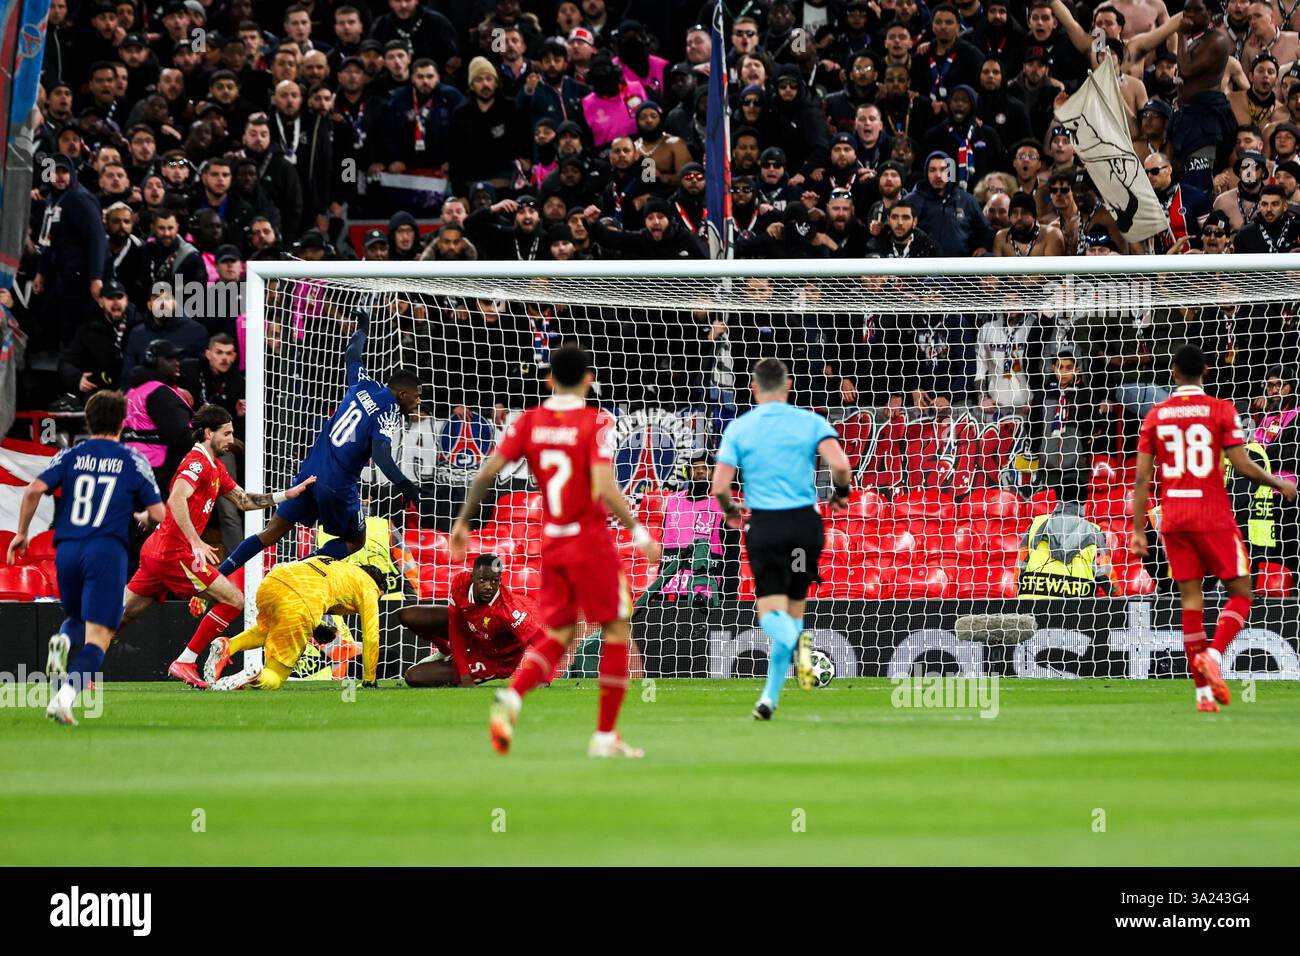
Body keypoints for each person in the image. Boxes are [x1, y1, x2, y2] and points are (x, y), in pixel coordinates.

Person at [449, 343, 662, 758]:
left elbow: (487, 473)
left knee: (562, 633)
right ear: (588, 379)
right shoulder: (596, 421)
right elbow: (602, 485)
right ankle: (604, 736)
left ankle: (512, 697)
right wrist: (638, 530)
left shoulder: (528, 422)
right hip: (590, 542)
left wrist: (462, 523)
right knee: (617, 628)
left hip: (553, 544)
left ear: (549, 379)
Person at [1130, 344, 1298, 712]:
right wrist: (1278, 482)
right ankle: (1216, 656)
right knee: (1241, 593)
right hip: (1212, 514)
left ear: (1173, 373)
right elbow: (1242, 465)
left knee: (1191, 601)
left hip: (1174, 517)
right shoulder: (1222, 409)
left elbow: (1142, 479)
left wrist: (1138, 530)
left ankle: (1203, 695)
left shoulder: (1156, 415)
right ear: (1206, 371)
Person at [215, 309, 424, 577]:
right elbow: (381, 454)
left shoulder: (363, 384)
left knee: (269, 533)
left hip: (309, 475)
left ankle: (217, 576)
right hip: (338, 486)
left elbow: (352, 355)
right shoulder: (390, 411)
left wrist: (363, 329)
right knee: (355, 541)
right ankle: (293, 573)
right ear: (403, 394)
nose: (417, 402)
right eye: (416, 397)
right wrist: (405, 484)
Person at [118, 405, 315, 688]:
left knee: (124, 613)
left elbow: (245, 501)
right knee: (234, 600)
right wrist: (196, 541)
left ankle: (77, 650)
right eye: (227, 433)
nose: (231, 440)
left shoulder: (215, 467)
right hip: (175, 552)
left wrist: (288, 494)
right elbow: (176, 499)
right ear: (208, 433)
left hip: (157, 551)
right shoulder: (196, 463)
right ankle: (185, 660)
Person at [6, 391, 165, 726]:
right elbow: (160, 514)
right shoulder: (132, 459)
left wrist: (21, 533)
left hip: (66, 549)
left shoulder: (71, 455)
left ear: (88, 421)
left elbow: (34, 489)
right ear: (124, 423)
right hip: (105, 550)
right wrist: (143, 517)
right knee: (101, 636)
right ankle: (63, 700)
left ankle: (63, 639)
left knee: (77, 618)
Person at [712, 357, 853, 721]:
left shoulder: (741, 427)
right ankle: (769, 699)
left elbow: (720, 487)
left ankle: (798, 645)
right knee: (793, 611)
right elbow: (840, 465)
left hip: (768, 529)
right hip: (805, 529)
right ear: (788, 386)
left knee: (770, 615)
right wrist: (841, 494)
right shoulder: (809, 421)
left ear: (754, 389)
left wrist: (730, 510)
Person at [208, 557, 386, 691]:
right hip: (301, 599)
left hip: (272, 582)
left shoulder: (339, 566)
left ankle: (228, 645)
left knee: (269, 629)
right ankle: (257, 674)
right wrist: (369, 679)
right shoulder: (369, 587)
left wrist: (315, 626)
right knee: (276, 677)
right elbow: (371, 636)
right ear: (380, 589)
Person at [401, 554, 544, 687]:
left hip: (494, 659)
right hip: (473, 634)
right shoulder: (460, 583)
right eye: (483, 580)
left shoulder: (509, 610)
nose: (488, 587)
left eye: (494, 581)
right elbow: (455, 627)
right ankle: (446, 651)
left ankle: (453, 663)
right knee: (407, 615)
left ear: (500, 580)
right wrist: (464, 673)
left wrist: (545, 678)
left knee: (413, 676)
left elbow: (542, 640)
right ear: (473, 576)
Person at [1017, 471, 1114, 597]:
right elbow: (1106, 575)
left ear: (1057, 496)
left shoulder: (1035, 524)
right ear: (1084, 499)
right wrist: (1121, 600)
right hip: (1077, 609)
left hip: (1031, 605)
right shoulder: (1094, 532)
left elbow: (1020, 568)